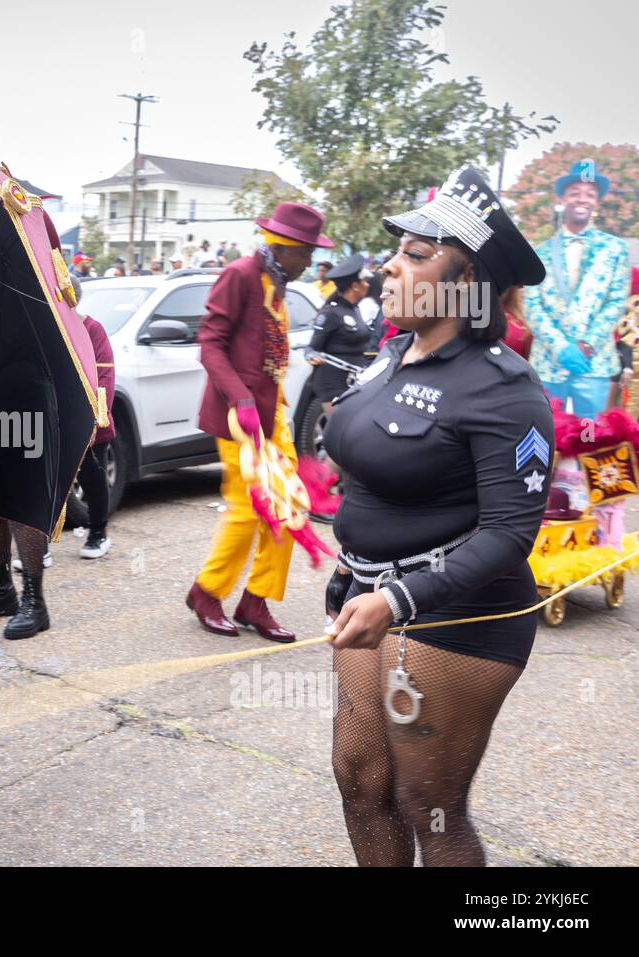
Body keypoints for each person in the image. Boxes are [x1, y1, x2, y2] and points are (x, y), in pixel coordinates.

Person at [322, 166, 551, 866]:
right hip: (366, 597)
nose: (389, 265)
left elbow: (511, 534)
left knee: (430, 805)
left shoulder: (505, 390)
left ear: (466, 283)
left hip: (460, 618)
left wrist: (399, 595)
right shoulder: (391, 354)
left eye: (417, 255)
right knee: (360, 781)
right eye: (398, 249)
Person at [185, 201, 333, 643]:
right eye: (305, 253)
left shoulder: (279, 280)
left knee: (289, 505)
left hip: (272, 417)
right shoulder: (241, 275)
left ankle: (256, 599)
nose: (310, 262)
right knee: (249, 509)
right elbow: (209, 344)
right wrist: (242, 399)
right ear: (283, 247)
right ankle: (206, 591)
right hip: (238, 416)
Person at [522, 159, 630, 420]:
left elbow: (616, 302)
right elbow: (531, 304)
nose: (582, 199)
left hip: (594, 364)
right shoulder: (540, 252)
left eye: (590, 194)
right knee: (547, 435)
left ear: (597, 201)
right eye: (575, 193)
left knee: (589, 438)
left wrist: (587, 345)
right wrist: (561, 347)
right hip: (549, 362)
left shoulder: (615, 249)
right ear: (562, 197)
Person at [77, 279, 116, 558]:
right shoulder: (49, 329)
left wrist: (95, 417)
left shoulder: (93, 329)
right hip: (56, 420)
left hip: (90, 419)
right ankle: (37, 546)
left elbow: (105, 377)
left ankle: (98, 533)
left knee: (93, 478)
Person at [308, 254, 375, 412]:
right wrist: (311, 355)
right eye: (364, 281)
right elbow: (312, 348)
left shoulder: (355, 309)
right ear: (355, 286)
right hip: (332, 384)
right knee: (338, 434)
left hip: (352, 381)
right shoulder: (331, 313)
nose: (367, 284)